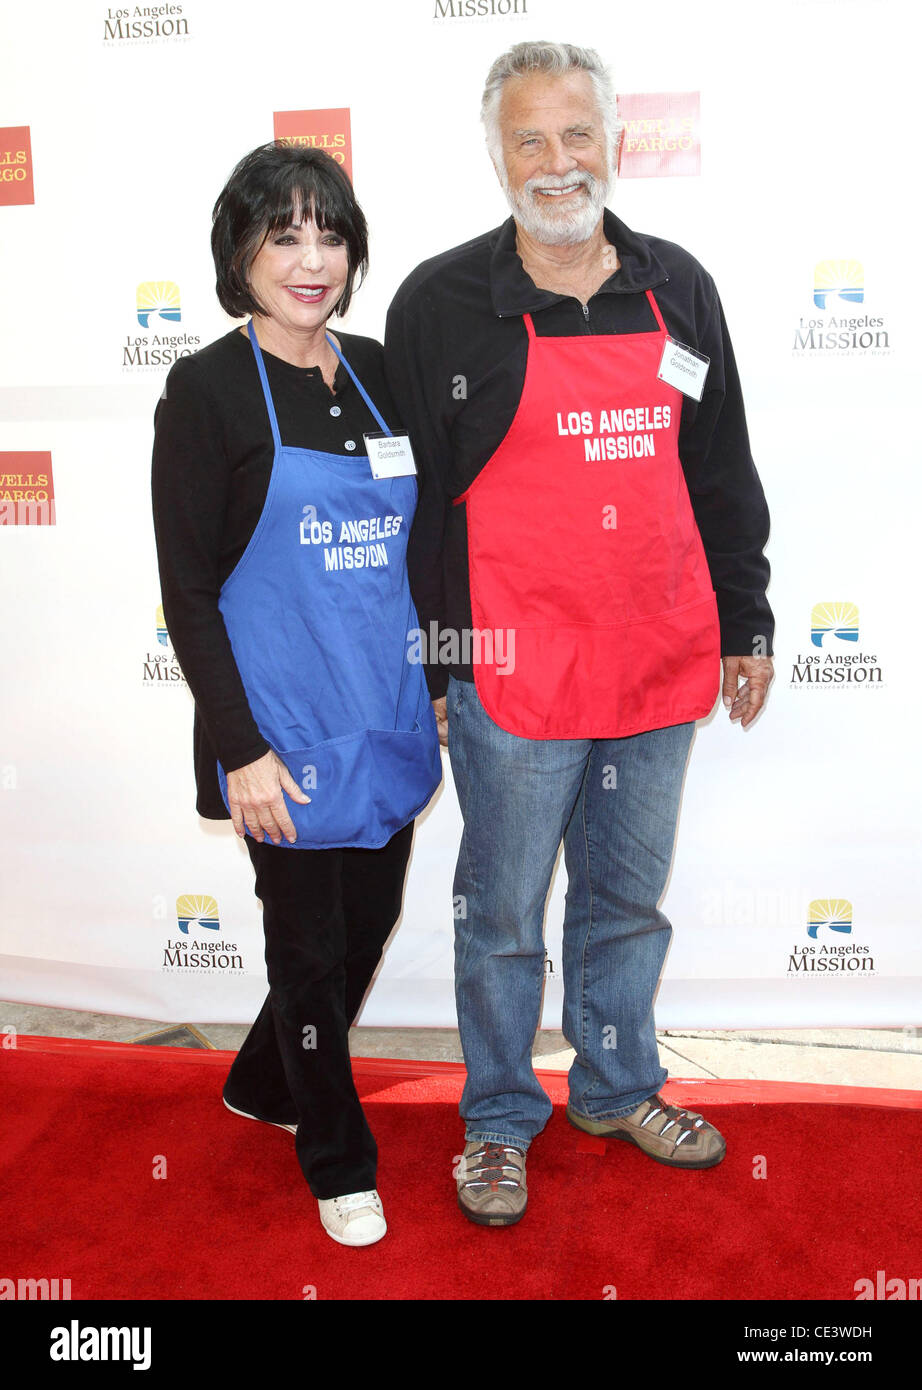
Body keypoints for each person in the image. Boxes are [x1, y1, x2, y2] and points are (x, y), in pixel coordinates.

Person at [385, 41, 774, 1226]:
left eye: (576, 135)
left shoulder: (677, 284)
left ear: (611, 141)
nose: (557, 163)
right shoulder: (439, 304)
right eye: (529, 139)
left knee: (624, 898)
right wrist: (442, 666)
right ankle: (500, 1117)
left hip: (657, 653)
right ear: (497, 154)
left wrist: (745, 617)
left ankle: (615, 1083)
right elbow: (420, 510)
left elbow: (717, 466)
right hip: (511, 666)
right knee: (501, 916)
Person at [152, 142, 441, 1247]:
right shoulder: (209, 388)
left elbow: (419, 546)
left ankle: (264, 1079)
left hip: (384, 708)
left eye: (330, 234)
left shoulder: (374, 371)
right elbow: (186, 590)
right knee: (308, 951)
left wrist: (441, 680)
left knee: (366, 927)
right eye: (284, 234)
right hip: (279, 726)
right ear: (242, 251)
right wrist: (242, 750)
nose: (310, 259)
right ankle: (336, 1154)